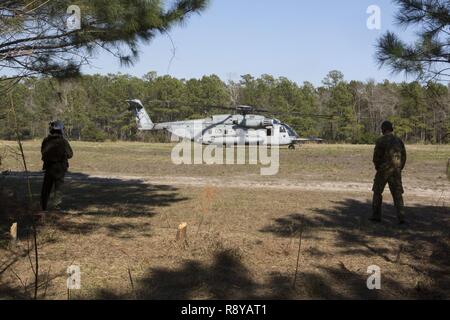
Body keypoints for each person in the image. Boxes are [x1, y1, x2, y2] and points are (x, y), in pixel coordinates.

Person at [372, 121, 407, 224]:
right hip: (396, 171)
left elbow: (376, 157)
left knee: (377, 192)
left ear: (383, 129)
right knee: (397, 194)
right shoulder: (399, 141)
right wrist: (399, 168)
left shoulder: (381, 141)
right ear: (391, 128)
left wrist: (378, 167)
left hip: (383, 170)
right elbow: (404, 156)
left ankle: (376, 216)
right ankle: (401, 217)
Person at [40, 121, 73, 211]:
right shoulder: (63, 142)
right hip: (59, 168)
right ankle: (56, 207)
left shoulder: (46, 140)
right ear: (61, 130)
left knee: (46, 188)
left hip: (49, 167)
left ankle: (43, 207)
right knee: (58, 188)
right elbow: (70, 154)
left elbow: (43, 152)